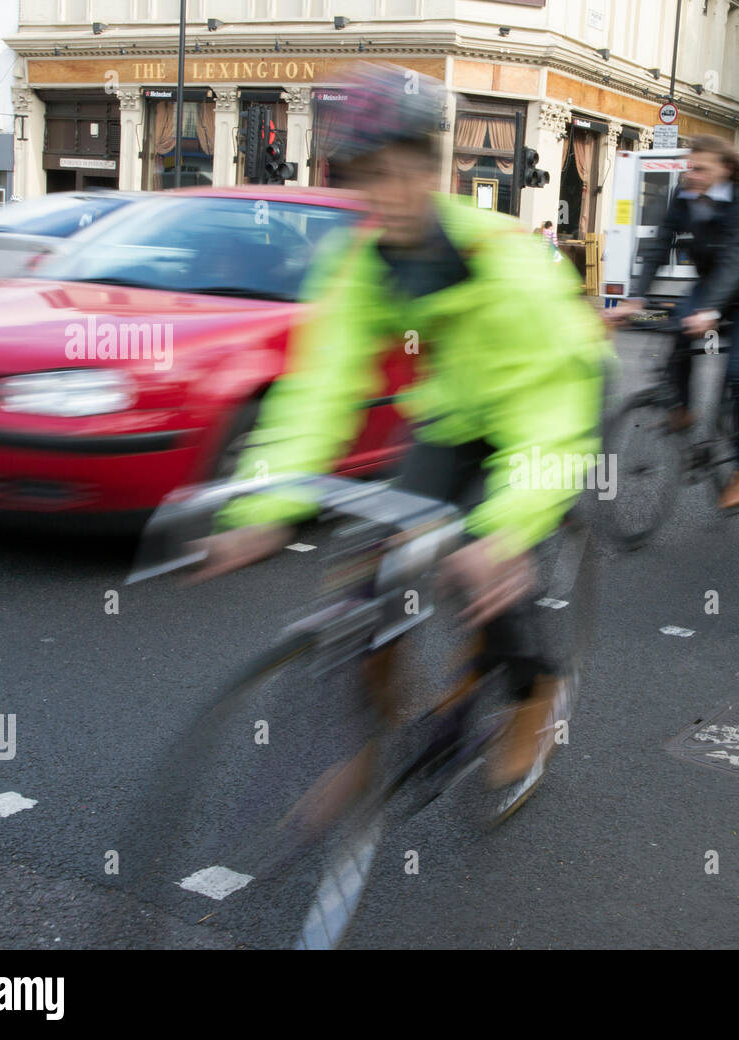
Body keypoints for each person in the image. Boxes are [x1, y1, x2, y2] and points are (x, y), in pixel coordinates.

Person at [190, 63, 611, 789]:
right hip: (455, 410)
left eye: (398, 172)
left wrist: (506, 531)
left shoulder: (502, 263)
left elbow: (551, 410)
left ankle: (532, 693)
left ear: (430, 167)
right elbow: (318, 390)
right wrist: (263, 508)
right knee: (375, 565)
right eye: (365, 177)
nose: (383, 195)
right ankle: (368, 748)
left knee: (485, 567)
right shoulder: (361, 263)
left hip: (553, 403)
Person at [606, 135, 739, 510]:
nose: (692, 175)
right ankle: (685, 409)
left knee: (736, 372)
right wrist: (635, 298)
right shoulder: (684, 197)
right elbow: (658, 245)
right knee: (678, 333)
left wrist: (712, 309)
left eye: (701, 169)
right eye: (689, 167)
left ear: (726, 169)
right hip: (711, 286)